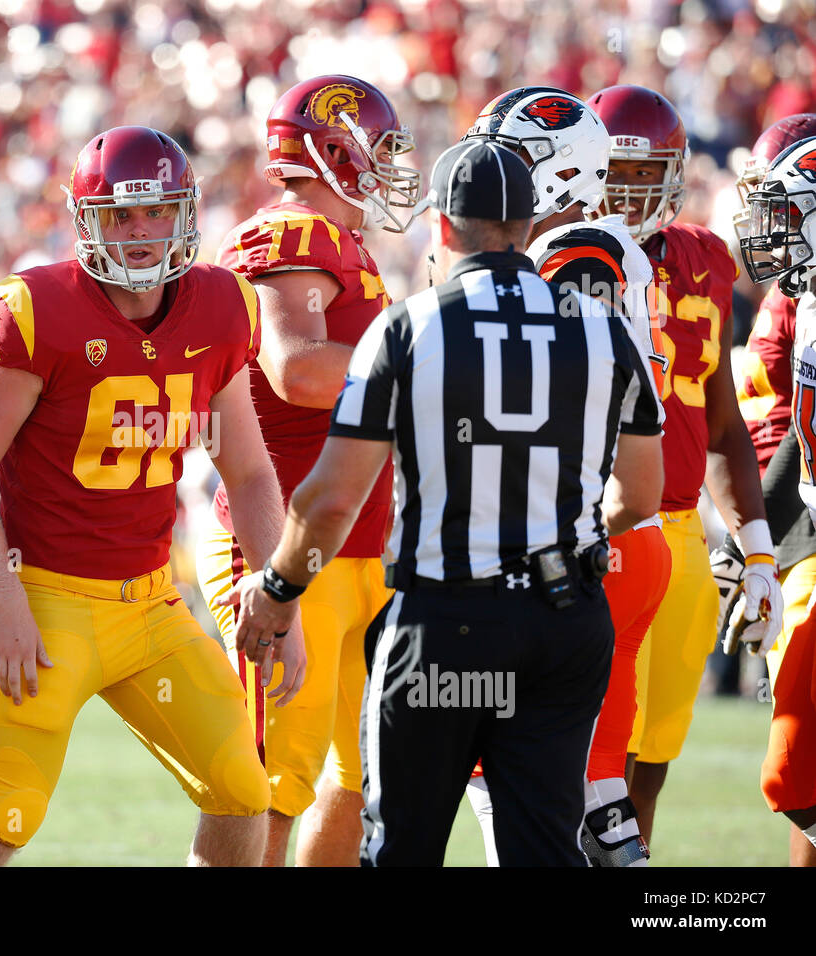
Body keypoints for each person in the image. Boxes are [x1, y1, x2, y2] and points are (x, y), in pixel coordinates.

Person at [228, 140, 665, 866]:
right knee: (543, 847)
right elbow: (640, 493)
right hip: (565, 623)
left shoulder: (408, 327)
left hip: (448, 619)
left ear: (441, 228)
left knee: (403, 847)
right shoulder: (603, 327)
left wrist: (278, 590)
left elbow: (332, 499)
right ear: (529, 227)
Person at [0, 125, 305, 867]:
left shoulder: (222, 306)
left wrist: (280, 597)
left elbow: (252, 473)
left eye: (155, 212)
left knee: (241, 787)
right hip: (50, 606)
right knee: (4, 818)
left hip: (152, 606)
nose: (139, 233)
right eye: (119, 216)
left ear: (185, 211)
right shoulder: (42, 309)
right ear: (85, 220)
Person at [194, 74, 417, 866]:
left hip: (360, 543)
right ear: (333, 149)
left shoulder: (347, 244)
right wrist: (422, 357)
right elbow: (298, 370)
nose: (393, 165)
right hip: (286, 542)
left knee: (358, 782)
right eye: (381, 147)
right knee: (264, 783)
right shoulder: (291, 233)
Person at [459, 84, 670, 866]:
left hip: (589, 533)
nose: (482, 173)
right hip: (607, 534)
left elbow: (568, 399)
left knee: (522, 780)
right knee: (593, 796)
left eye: (505, 158)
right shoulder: (575, 247)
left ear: (557, 171)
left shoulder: (575, 253)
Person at [588, 91, 781, 849]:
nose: (631, 193)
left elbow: (723, 422)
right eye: (615, 174)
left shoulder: (703, 259)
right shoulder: (561, 260)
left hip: (680, 539)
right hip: (594, 533)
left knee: (650, 761)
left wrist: (758, 547)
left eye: (647, 173)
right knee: (581, 758)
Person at [730, 113, 816, 868]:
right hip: (799, 530)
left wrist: (760, 542)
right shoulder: (804, 291)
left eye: (781, 204)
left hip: (807, 536)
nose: (766, 225)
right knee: (801, 771)